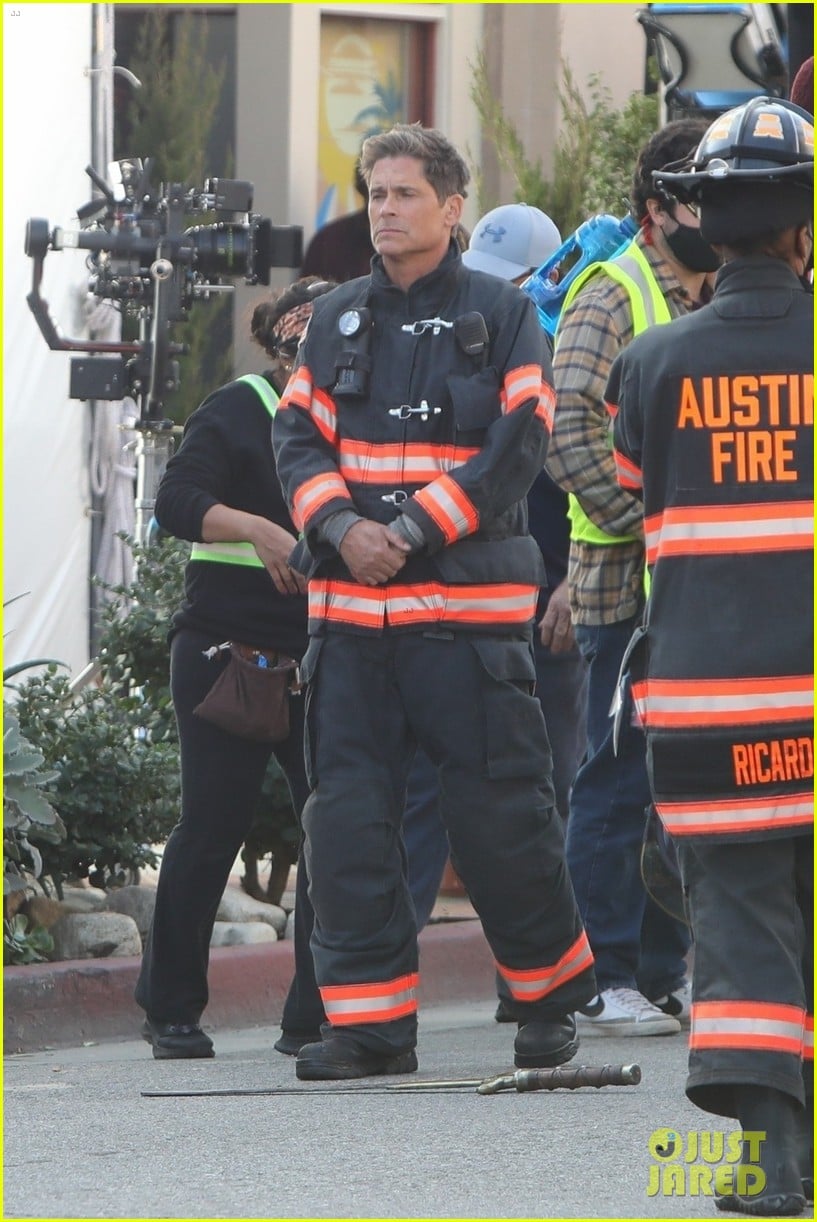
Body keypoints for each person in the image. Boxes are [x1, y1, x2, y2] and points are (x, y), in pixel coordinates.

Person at [273, 123, 596, 1082]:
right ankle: (370, 1029)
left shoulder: (503, 313)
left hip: (465, 627)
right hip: (350, 628)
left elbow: (521, 439)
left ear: (452, 208)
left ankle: (545, 1010)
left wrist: (410, 531)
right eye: (375, 193)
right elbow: (296, 439)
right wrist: (342, 530)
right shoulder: (333, 318)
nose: (385, 209)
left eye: (404, 193)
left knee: (505, 820)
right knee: (348, 830)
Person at [610, 95, 813, 1215]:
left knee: (738, 920)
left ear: (703, 226)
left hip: (706, 708)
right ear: (802, 230)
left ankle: (772, 1161)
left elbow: (631, 486)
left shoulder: (653, 361)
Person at [546, 119, 715, 1037]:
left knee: (675, 783)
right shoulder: (611, 291)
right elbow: (565, 426)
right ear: (656, 208)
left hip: (691, 582)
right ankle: (600, 977)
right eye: (699, 197)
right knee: (614, 781)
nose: (714, 215)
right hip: (621, 583)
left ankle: (655, 970)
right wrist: (649, 525)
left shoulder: (711, 289)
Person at [301, 162, 374, 283]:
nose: (387, 208)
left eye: (403, 194)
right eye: (378, 195)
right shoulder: (328, 241)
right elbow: (306, 292)